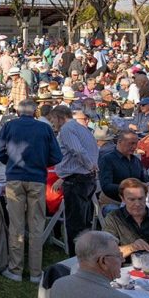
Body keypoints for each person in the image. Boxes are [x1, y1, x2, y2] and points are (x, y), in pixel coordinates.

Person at [0, 99, 63, 283]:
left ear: (17, 110)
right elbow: (56, 155)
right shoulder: (44, 128)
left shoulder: (9, 126)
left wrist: (10, 162)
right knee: (36, 225)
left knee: (16, 225)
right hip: (37, 179)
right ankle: (35, 271)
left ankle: (16, 269)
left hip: (15, 177)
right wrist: (40, 163)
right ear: (35, 112)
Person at [50, 106, 99, 256]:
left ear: (59, 117)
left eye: (53, 120)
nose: (53, 124)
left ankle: (77, 257)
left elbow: (77, 150)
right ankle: (84, 254)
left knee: (75, 224)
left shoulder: (67, 129)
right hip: (84, 178)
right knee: (82, 222)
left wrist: (89, 165)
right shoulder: (81, 127)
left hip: (77, 179)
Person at [99, 130, 146, 201]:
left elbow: (146, 180)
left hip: (135, 201)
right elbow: (106, 186)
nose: (134, 147)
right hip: (113, 201)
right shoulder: (107, 159)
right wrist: (128, 188)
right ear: (119, 142)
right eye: (131, 143)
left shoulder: (136, 161)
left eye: (136, 144)